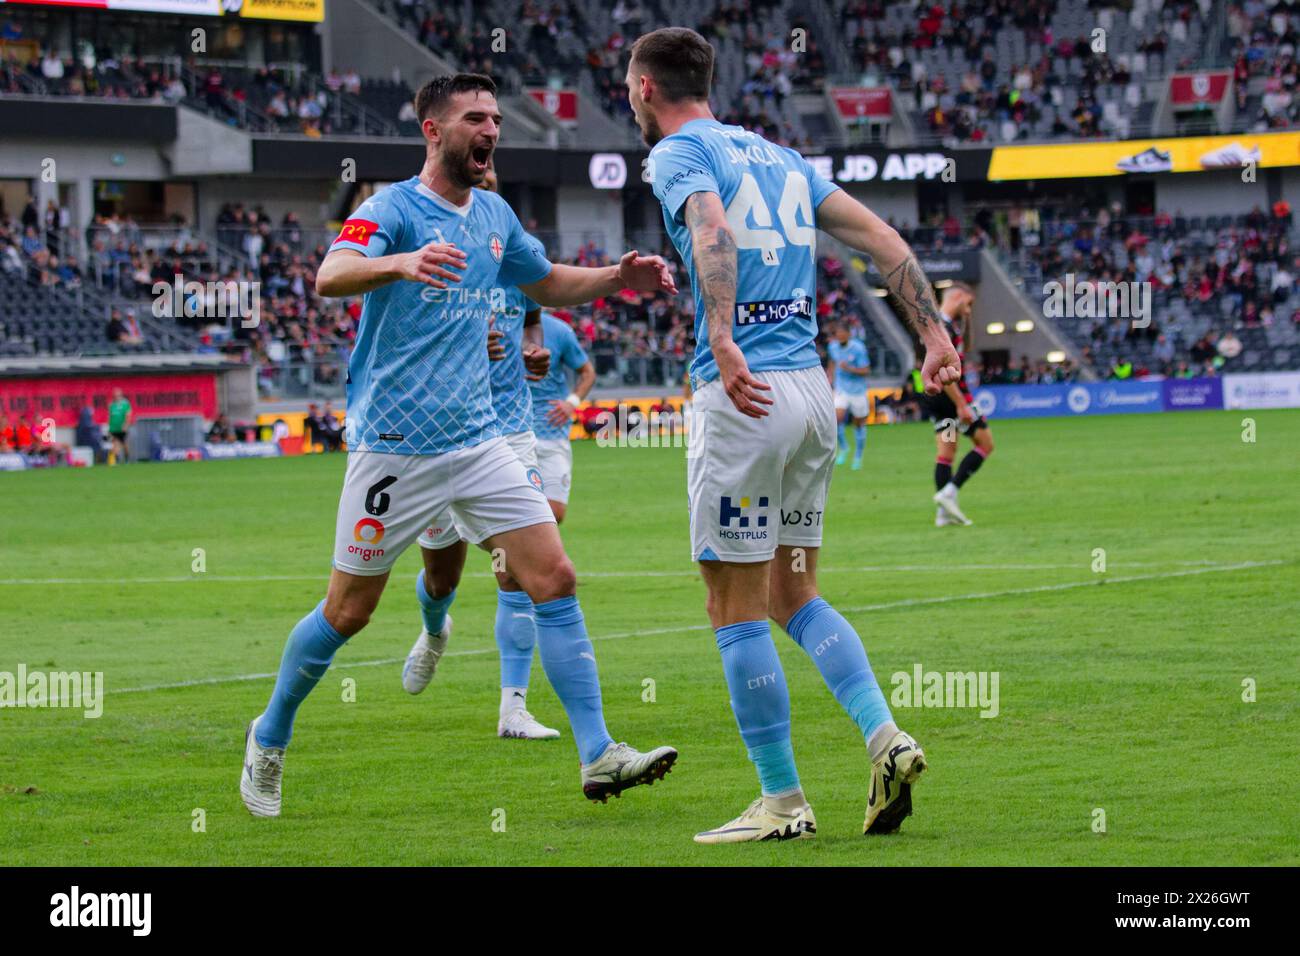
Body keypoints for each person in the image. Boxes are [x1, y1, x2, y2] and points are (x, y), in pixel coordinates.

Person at [240, 73, 680, 819]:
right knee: (347, 613)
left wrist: (616, 277)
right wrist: (399, 262)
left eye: (498, 119)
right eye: (476, 117)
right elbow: (329, 274)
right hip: (394, 448)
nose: (492, 130)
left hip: (480, 444)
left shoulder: (496, 215)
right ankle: (269, 735)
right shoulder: (392, 209)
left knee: (555, 577)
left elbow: (545, 283)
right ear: (432, 130)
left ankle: (598, 753)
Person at [628, 27, 959, 843]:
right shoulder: (781, 157)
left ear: (643, 87)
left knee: (730, 603)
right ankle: (888, 739)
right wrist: (933, 335)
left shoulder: (678, 154)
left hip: (743, 398)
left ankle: (781, 802)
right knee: (793, 591)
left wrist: (725, 332)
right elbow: (885, 240)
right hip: (813, 397)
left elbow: (710, 229)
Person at [402, 155, 562, 742]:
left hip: (511, 430)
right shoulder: (434, 257)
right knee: (442, 576)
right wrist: (466, 348)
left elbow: (533, 322)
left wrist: (533, 353)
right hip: (443, 433)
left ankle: (513, 709)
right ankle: (435, 627)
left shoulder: (518, 256)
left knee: (518, 571)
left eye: (493, 180)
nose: (486, 186)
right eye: (479, 182)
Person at [922, 283, 993, 527]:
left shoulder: (945, 325)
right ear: (959, 296)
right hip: (952, 397)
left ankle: (943, 514)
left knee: (947, 452)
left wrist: (967, 319)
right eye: (969, 303)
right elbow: (944, 369)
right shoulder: (942, 327)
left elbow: (967, 347)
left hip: (939, 400)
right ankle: (949, 492)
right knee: (985, 443)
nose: (969, 309)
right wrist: (961, 405)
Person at [528, 312, 596, 523]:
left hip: (551, 429)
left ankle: (515, 553)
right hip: (509, 430)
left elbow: (588, 372)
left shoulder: (559, 330)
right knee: (515, 512)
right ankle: (508, 555)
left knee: (555, 513)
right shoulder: (500, 325)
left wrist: (571, 403)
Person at [826, 320, 872, 470]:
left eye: (841, 332)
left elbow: (866, 370)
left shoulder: (858, 348)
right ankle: (844, 447)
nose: (839, 335)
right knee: (836, 419)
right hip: (841, 388)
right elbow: (832, 362)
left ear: (848, 334)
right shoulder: (832, 347)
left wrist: (850, 369)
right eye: (837, 333)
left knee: (858, 423)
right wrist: (830, 377)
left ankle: (858, 455)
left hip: (857, 391)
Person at [107, 387, 132, 463]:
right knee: (115, 445)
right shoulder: (111, 405)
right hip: (113, 429)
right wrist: (109, 429)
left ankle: (127, 458)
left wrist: (126, 425)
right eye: (115, 396)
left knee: (125, 445)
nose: (116, 397)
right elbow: (110, 417)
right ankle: (114, 460)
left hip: (122, 428)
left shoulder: (125, 404)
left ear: (121, 395)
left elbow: (128, 415)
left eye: (118, 395)